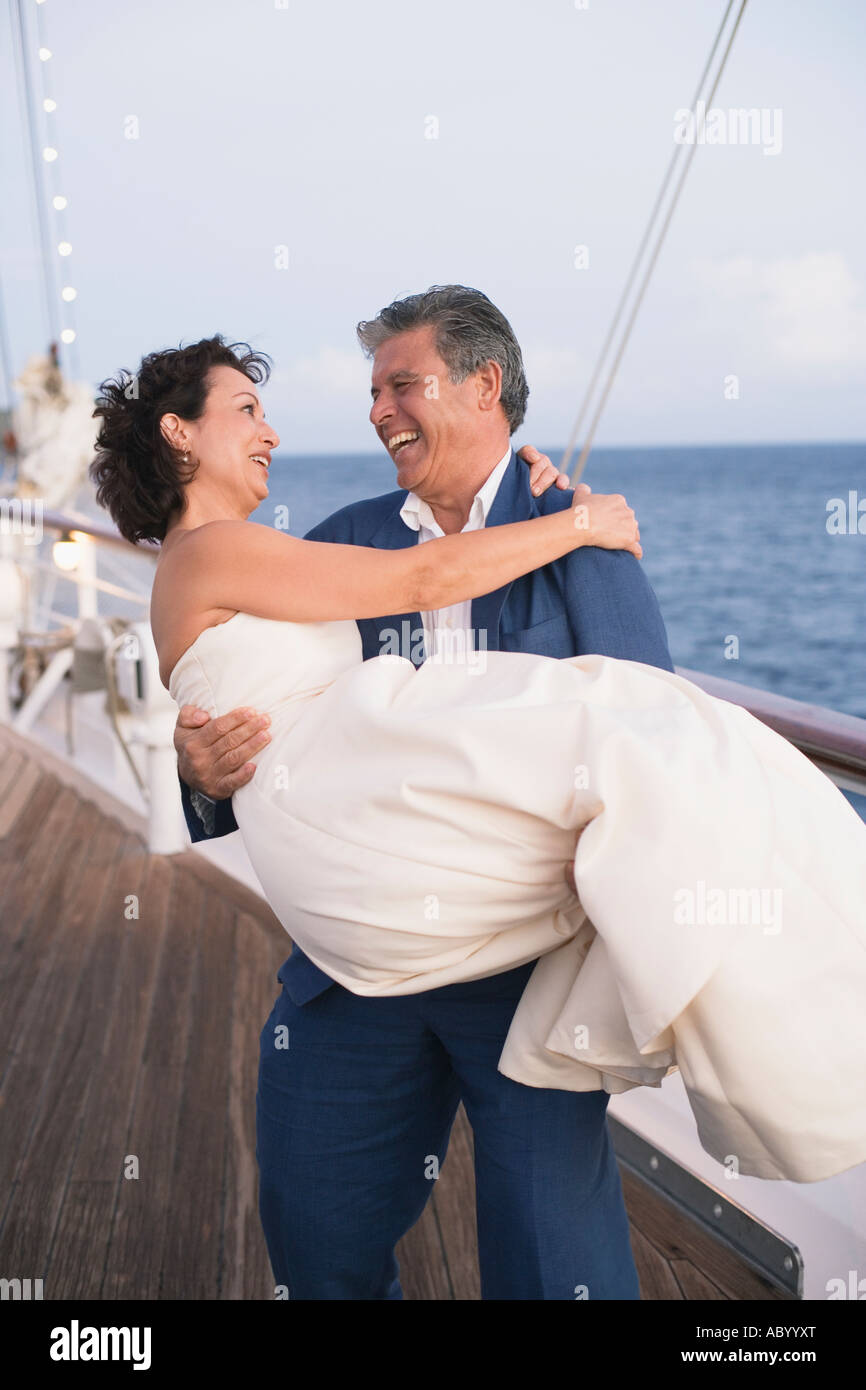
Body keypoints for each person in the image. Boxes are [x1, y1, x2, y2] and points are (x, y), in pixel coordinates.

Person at [90, 302, 866, 1303]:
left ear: (481, 386)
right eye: (372, 391)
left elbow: (647, 711)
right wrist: (200, 769)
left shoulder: (579, 544)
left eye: (398, 385)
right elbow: (274, 695)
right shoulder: (341, 540)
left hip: (519, 962)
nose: (375, 411)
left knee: (552, 1259)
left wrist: (575, 524)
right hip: (352, 966)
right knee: (310, 1224)